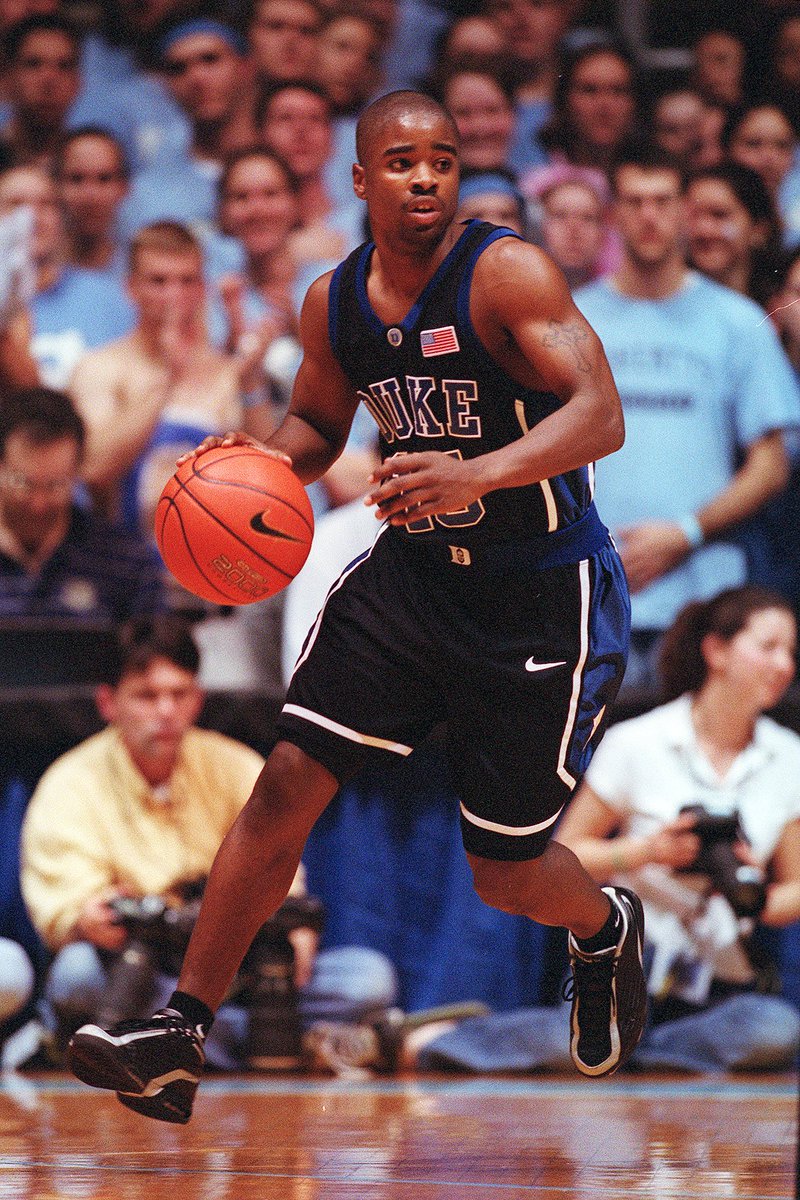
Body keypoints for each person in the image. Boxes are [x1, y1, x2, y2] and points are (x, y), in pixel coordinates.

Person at [67, 88, 647, 1125]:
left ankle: (602, 927)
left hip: (538, 590)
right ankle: (180, 1033)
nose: (424, 177)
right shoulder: (332, 301)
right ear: (360, 179)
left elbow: (599, 414)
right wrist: (252, 466)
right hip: (412, 578)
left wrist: (478, 471)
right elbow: (316, 426)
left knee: (504, 872)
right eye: (402, 161)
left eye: (442, 160)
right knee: (286, 782)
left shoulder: (505, 272)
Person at [21, 616, 397, 1069]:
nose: (166, 711)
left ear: (197, 699)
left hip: (237, 964)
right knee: (76, 975)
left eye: (179, 694)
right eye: (146, 696)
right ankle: (271, 1043)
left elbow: (282, 868)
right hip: (142, 969)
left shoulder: (235, 764)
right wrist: (91, 919)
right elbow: (68, 917)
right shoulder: (69, 783)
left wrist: (293, 931)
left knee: (367, 980)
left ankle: (165, 1043)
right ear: (108, 702)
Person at [574, 145, 800, 695]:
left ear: (684, 212)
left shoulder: (739, 323)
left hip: (704, 599)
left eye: (663, 201)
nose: (649, 215)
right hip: (591, 590)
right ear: (614, 214)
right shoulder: (573, 317)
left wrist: (685, 532)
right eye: (634, 202)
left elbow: (771, 465)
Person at [556, 586, 800, 1072]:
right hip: (627, 968)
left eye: (792, 652)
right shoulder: (637, 742)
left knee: (775, 1031)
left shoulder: (789, 757)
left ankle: (634, 1055)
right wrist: (648, 851)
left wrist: (751, 890)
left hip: (721, 979)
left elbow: (795, 887)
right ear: (717, 651)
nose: (784, 665)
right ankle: (436, 1038)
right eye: (769, 647)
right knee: (559, 1040)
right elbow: (563, 856)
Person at [68, 220, 273, 537]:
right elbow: (94, 468)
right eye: (158, 281)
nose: (174, 294)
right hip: (124, 555)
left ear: (202, 289)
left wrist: (251, 380)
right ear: (131, 288)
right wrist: (167, 377)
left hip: (212, 552)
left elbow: (270, 480)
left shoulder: (229, 373)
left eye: (187, 281)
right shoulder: (100, 367)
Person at [0, 385, 165, 620]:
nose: (38, 503)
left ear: (76, 473)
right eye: (23, 483)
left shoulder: (125, 561)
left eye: (55, 485)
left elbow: (154, 638)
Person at [0, 164, 135, 387]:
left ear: (61, 217)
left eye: (46, 204)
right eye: (16, 204)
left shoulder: (109, 299)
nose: (32, 217)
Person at [686, 160, 783, 309]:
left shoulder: (780, 309)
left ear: (758, 229)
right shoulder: (660, 302)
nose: (703, 230)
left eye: (719, 215)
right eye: (694, 215)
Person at [53, 126, 130, 280]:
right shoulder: (31, 273)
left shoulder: (139, 273)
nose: (90, 196)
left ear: (124, 188)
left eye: (104, 179)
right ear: (55, 186)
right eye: (76, 179)